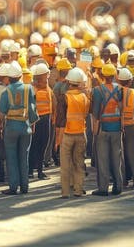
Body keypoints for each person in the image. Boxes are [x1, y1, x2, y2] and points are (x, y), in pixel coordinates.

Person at [0, 61, 38, 195]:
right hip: (25, 127)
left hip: (11, 128)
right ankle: (25, 186)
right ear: (21, 76)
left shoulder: (5, 91)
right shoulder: (29, 89)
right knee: (24, 157)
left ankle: (13, 187)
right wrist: (32, 125)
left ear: (8, 78)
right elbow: (32, 110)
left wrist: (1, 125)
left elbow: (1, 112)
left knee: (11, 157)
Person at [91, 63, 124, 196]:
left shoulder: (98, 90)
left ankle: (103, 188)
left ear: (103, 75)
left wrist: (95, 128)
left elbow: (95, 112)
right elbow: (122, 108)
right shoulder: (120, 89)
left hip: (103, 128)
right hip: (116, 127)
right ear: (114, 75)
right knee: (116, 158)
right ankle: (118, 186)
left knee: (103, 159)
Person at [56, 68, 89, 198]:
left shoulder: (64, 98)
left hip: (67, 134)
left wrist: (58, 139)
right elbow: (86, 113)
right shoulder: (84, 97)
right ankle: (78, 190)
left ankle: (65, 192)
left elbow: (60, 120)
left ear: (69, 82)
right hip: (81, 133)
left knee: (65, 165)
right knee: (79, 163)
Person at [118, 67, 134, 189]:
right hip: (131, 126)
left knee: (121, 155)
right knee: (132, 154)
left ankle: (123, 181)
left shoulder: (116, 91)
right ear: (130, 80)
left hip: (119, 126)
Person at [29, 63, 53, 180]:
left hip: (46, 119)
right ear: (41, 76)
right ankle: (31, 170)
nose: (48, 76)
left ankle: (39, 170)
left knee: (43, 145)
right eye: (46, 75)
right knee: (34, 145)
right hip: (37, 120)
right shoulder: (33, 89)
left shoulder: (47, 88)